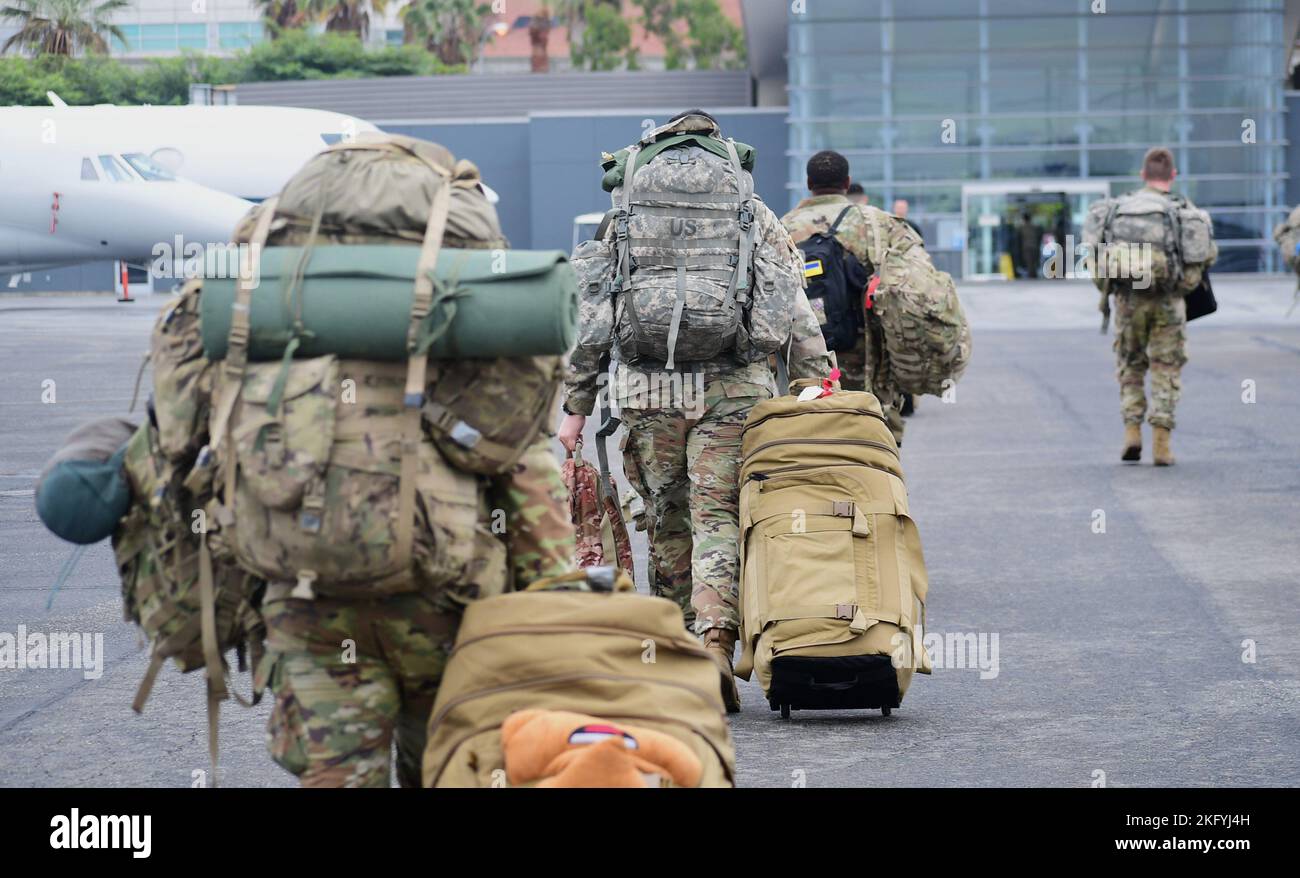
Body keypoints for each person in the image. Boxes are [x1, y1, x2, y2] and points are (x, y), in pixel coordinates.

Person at [245, 137, 576, 788]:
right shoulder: (473, 338)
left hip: (310, 603)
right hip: (444, 607)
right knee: (451, 770)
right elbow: (523, 471)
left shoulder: (273, 334)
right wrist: (557, 609)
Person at [558, 110, 834, 713]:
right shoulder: (749, 212)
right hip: (733, 386)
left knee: (666, 515)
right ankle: (716, 642)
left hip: (649, 389)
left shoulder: (626, 216)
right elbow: (790, 302)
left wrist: (576, 406)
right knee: (719, 514)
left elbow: (594, 316)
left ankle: (681, 653)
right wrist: (816, 383)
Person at [780, 149, 936, 445]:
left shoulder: (781, 226)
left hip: (808, 367)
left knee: (821, 446)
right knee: (877, 450)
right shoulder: (880, 224)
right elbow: (922, 287)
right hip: (870, 365)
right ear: (847, 182)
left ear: (808, 183)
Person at [1109, 146, 1215, 466]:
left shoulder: (1119, 209)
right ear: (1173, 176)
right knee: (1165, 367)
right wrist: (1174, 291)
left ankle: (1131, 432)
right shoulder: (1183, 212)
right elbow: (1200, 263)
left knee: (1130, 364)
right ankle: (1162, 443)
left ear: (1143, 175)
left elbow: (1098, 260)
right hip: (1168, 302)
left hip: (1129, 301)